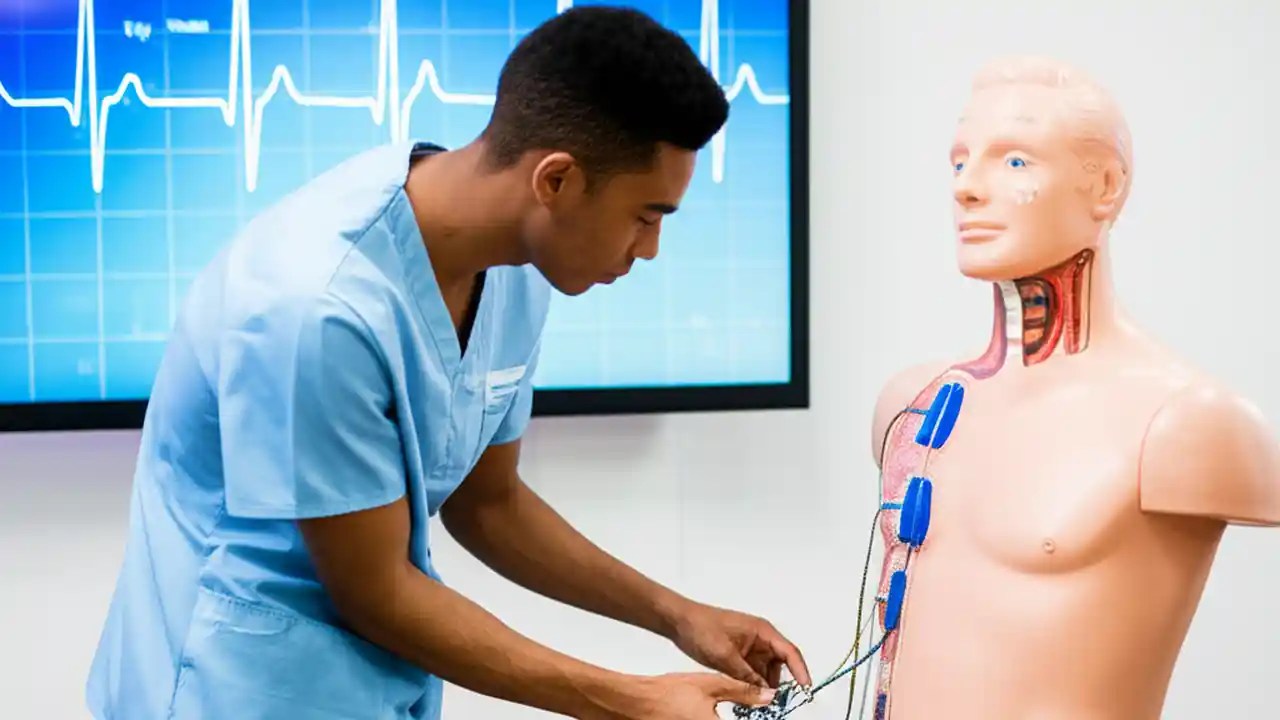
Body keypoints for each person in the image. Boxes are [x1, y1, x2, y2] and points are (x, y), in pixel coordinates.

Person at [85, 7, 810, 720]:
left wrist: (678, 616)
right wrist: (631, 701)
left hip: (362, 684)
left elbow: (487, 503)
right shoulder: (318, 306)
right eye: (645, 217)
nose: (648, 249)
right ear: (554, 182)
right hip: (226, 686)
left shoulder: (520, 262)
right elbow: (376, 595)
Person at [863, 55, 1280, 720]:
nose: (968, 187)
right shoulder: (911, 408)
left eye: (1015, 162)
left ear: (1106, 187)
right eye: (960, 161)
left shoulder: (1187, 422)